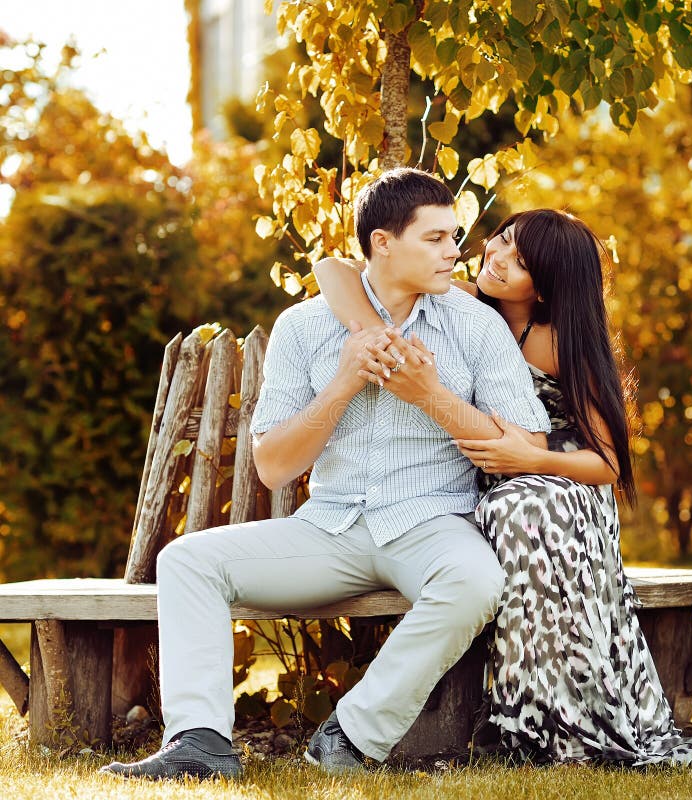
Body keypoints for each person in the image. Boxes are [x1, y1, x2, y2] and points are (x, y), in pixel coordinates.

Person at [99, 168, 551, 780]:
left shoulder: (475, 325)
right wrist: (343, 381)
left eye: (455, 237)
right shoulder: (304, 326)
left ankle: (352, 735)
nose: (455, 252)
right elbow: (273, 465)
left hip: (432, 521)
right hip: (330, 528)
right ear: (383, 244)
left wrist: (430, 394)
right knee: (187, 561)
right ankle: (200, 744)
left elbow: (528, 440)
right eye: (436, 238)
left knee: (474, 581)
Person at [314, 208, 692, 767]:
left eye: (520, 262)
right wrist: (376, 334)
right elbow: (330, 269)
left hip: (564, 492)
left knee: (520, 506)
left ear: (549, 285)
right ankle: (526, 711)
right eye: (501, 241)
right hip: (489, 487)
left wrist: (532, 456)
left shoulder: (563, 341)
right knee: (506, 507)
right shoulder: (458, 307)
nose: (496, 259)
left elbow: (608, 465)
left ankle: (548, 718)